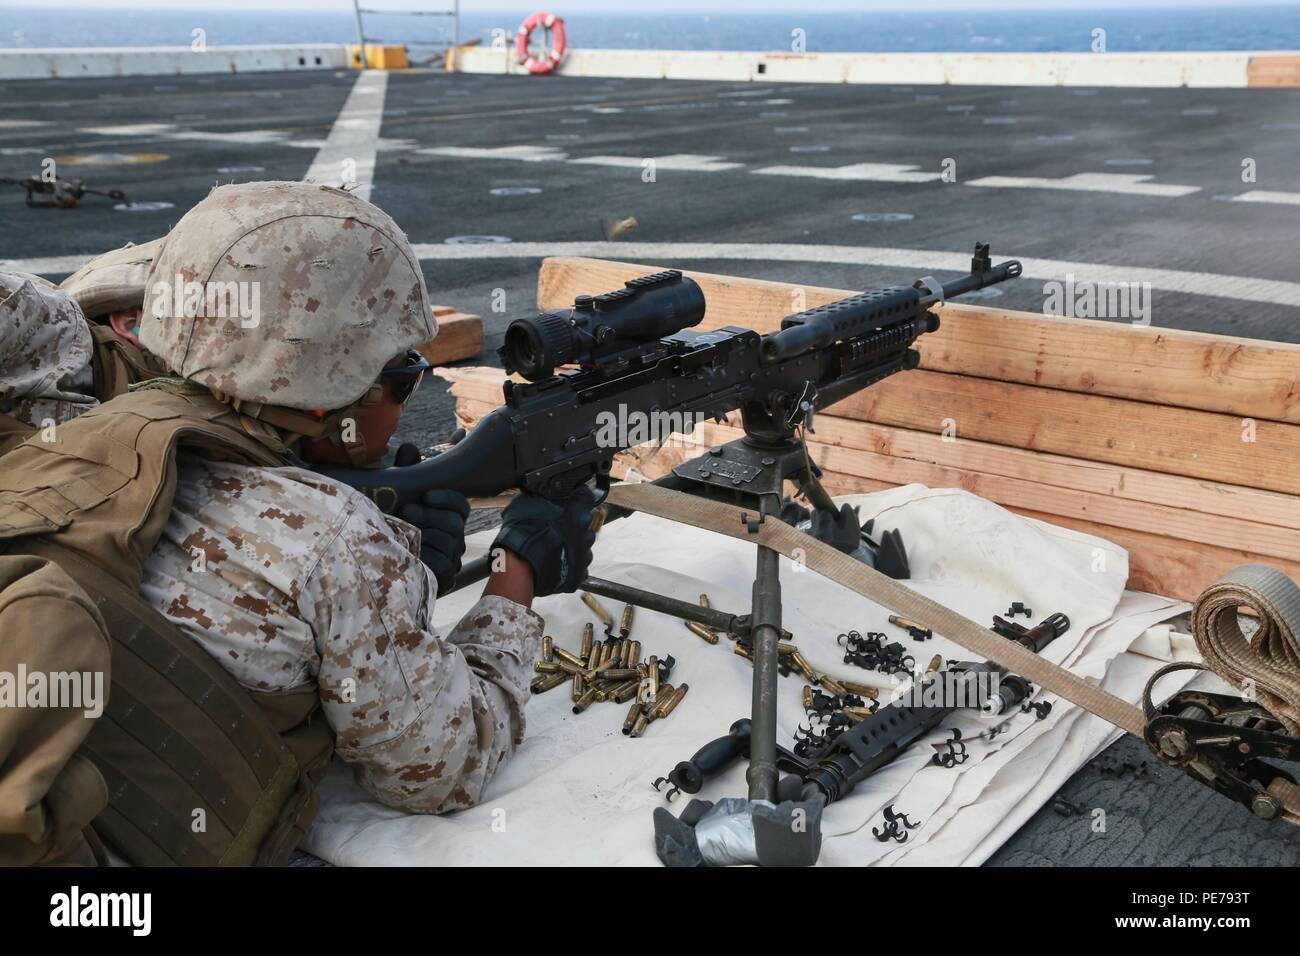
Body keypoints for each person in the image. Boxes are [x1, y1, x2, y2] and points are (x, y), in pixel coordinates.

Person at [125, 180, 596, 813]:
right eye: (404, 382)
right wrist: (519, 570)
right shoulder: (330, 540)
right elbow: (445, 767)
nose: (405, 407)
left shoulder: (114, 423)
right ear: (329, 394)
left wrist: (400, 572)